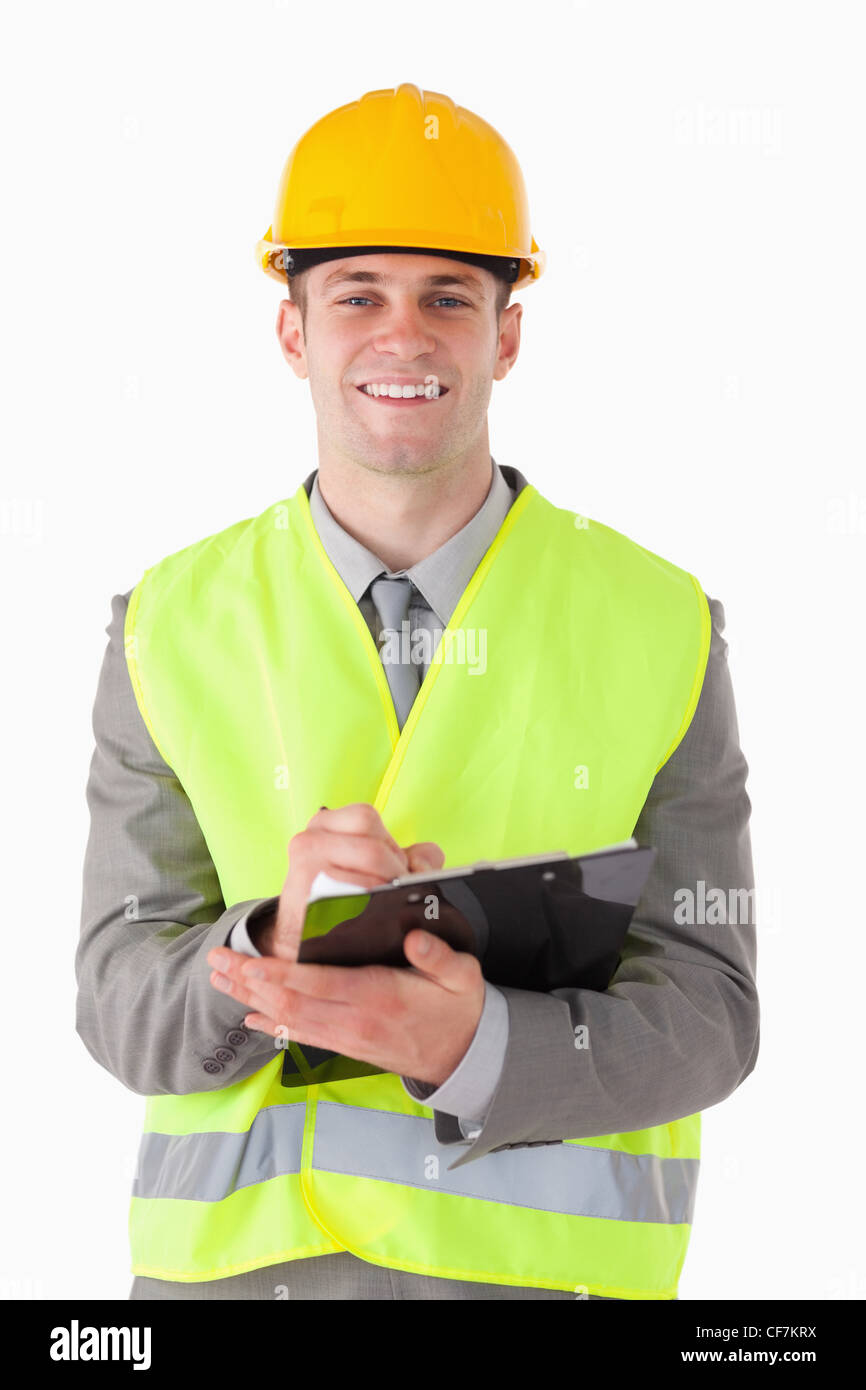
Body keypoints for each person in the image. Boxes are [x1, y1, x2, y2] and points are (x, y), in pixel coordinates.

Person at [76, 83, 759, 1301]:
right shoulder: (167, 624)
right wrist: (262, 950)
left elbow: (710, 1007)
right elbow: (120, 1004)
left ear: (504, 335)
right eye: (356, 296)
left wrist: (484, 1047)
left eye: (448, 296)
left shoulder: (658, 622)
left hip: (542, 1288)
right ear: (293, 332)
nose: (403, 336)